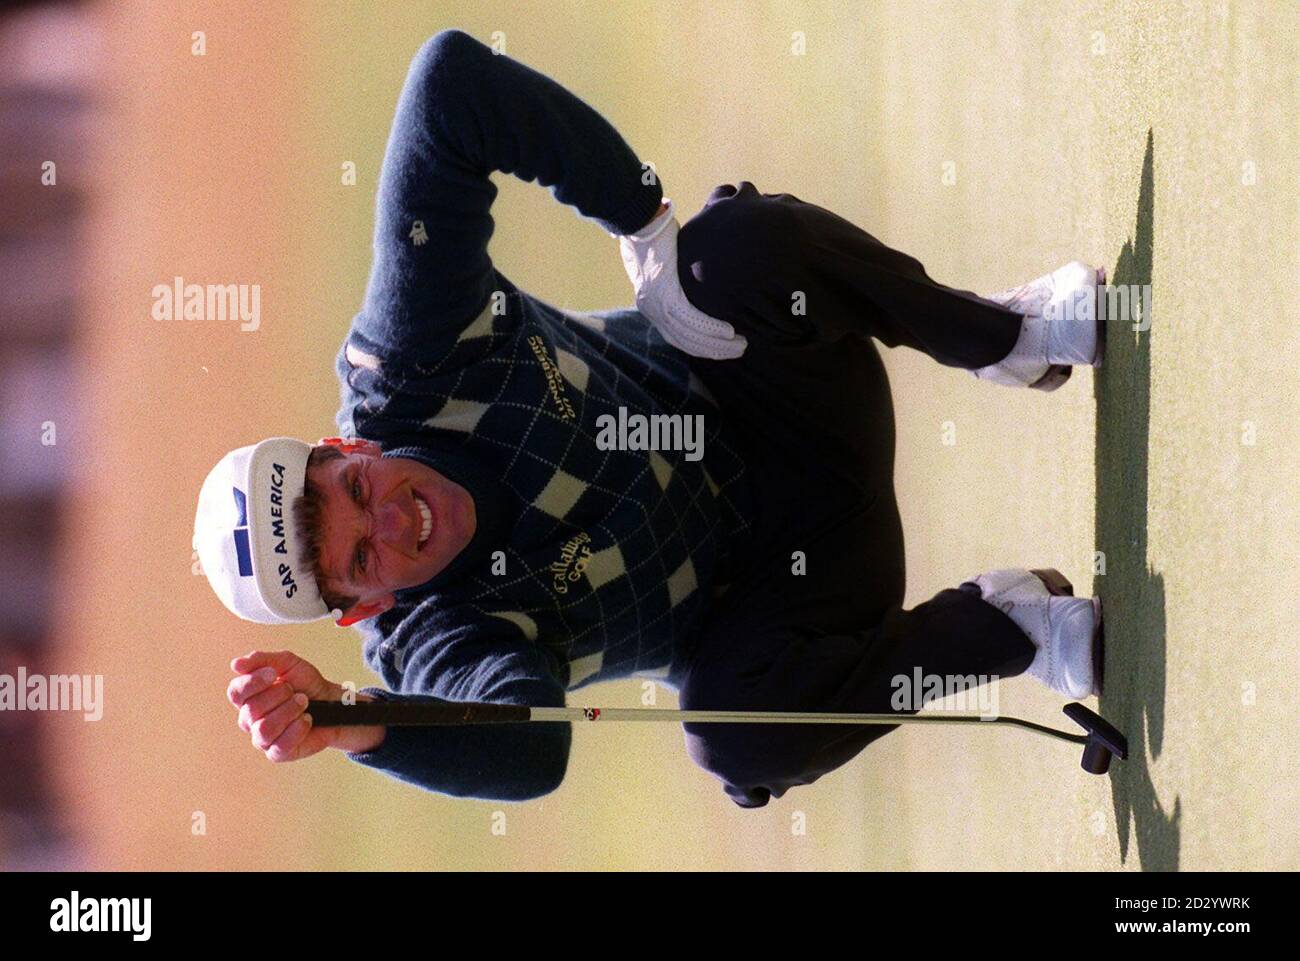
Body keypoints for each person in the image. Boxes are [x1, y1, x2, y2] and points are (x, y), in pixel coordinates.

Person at [195, 29, 1105, 807]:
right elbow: (530, 747)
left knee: (724, 256)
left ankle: (1008, 335)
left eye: (358, 487)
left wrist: (643, 226)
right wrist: (358, 723)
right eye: (363, 556)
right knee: (735, 740)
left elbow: (449, 89)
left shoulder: (409, 360)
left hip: (787, 397)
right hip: (803, 597)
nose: (395, 518)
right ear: (361, 609)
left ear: (345, 444)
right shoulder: (427, 645)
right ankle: (1014, 627)